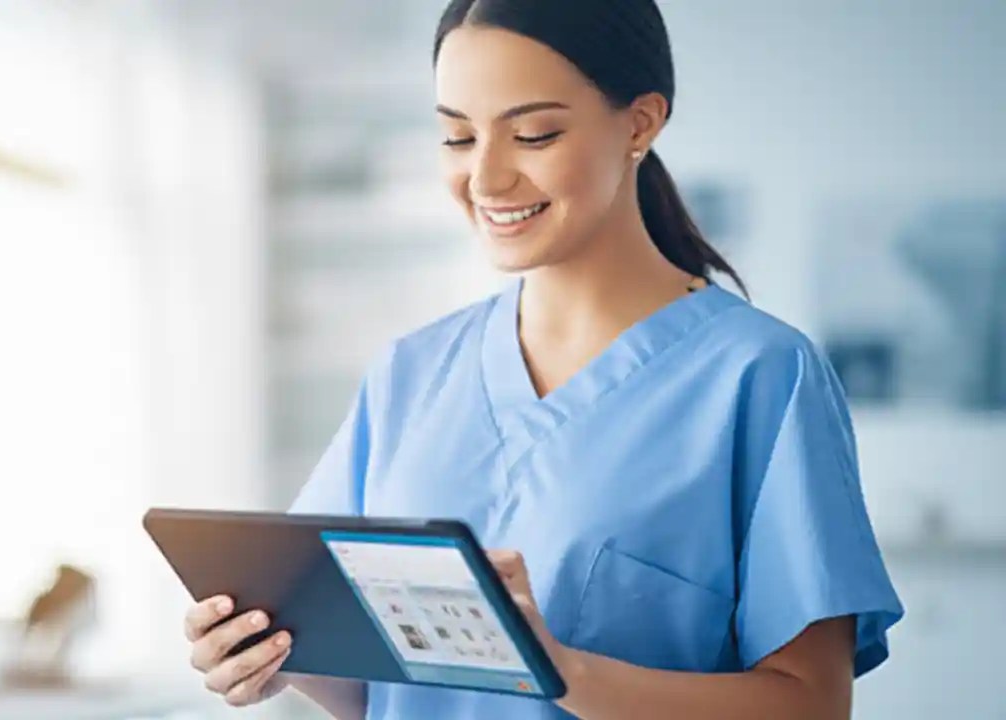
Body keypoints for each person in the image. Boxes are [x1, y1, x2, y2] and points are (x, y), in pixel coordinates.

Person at [182, 0, 904, 718]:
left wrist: (561, 671)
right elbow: (383, 693)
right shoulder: (409, 374)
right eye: (458, 138)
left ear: (641, 123)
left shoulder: (759, 375)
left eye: (533, 134)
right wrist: (273, 654)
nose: (487, 179)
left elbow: (810, 706)